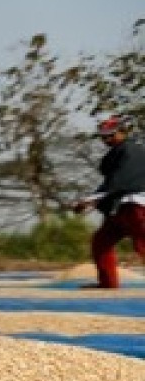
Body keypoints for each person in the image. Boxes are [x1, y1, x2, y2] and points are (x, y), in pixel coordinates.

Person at [72, 115, 145, 288]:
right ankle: (108, 283)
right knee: (101, 242)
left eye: (111, 135)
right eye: (104, 136)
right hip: (120, 208)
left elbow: (120, 181)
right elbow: (111, 184)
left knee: (142, 243)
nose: (107, 139)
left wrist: (91, 200)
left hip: (135, 206)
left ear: (122, 132)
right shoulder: (117, 153)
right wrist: (93, 201)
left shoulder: (131, 151)